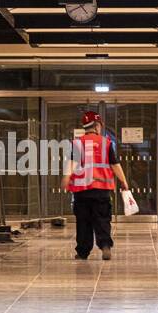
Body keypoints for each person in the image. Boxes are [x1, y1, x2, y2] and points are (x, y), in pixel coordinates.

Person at [60, 109, 130, 261]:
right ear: (97, 126)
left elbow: (72, 163)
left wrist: (66, 178)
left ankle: (83, 252)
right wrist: (124, 181)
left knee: (83, 222)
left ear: (85, 126)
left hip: (81, 191)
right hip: (101, 190)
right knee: (102, 219)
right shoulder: (105, 143)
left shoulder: (78, 143)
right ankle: (105, 245)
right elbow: (115, 164)